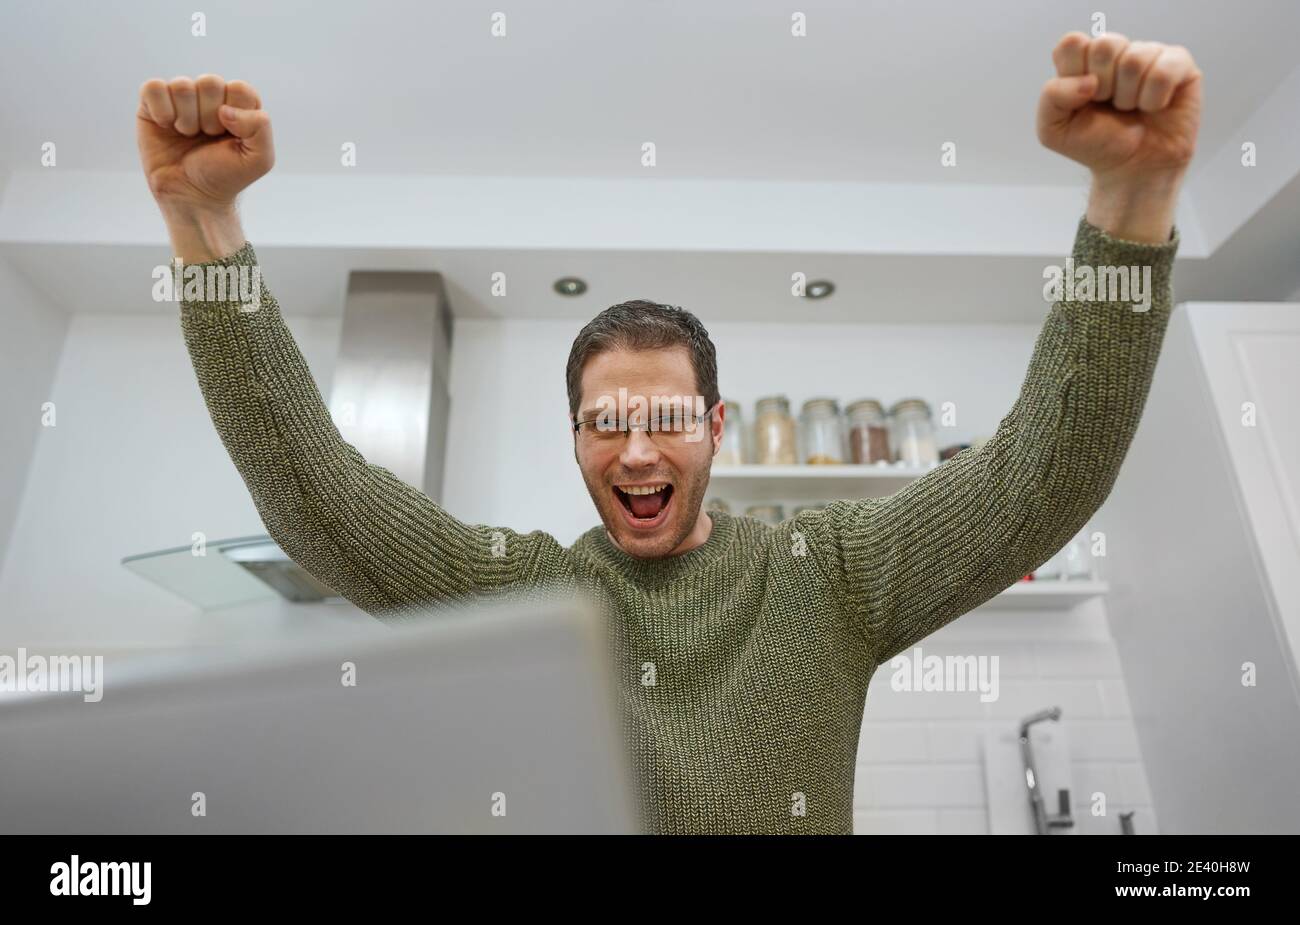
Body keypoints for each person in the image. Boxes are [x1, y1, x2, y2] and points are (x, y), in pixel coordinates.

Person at [136, 32, 1200, 834]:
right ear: (575, 440)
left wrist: (1130, 195)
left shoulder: (827, 570)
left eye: (665, 421)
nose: (636, 451)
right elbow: (319, 497)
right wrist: (204, 228)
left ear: (714, 428)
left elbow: (1042, 474)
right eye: (606, 422)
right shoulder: (522, 593)